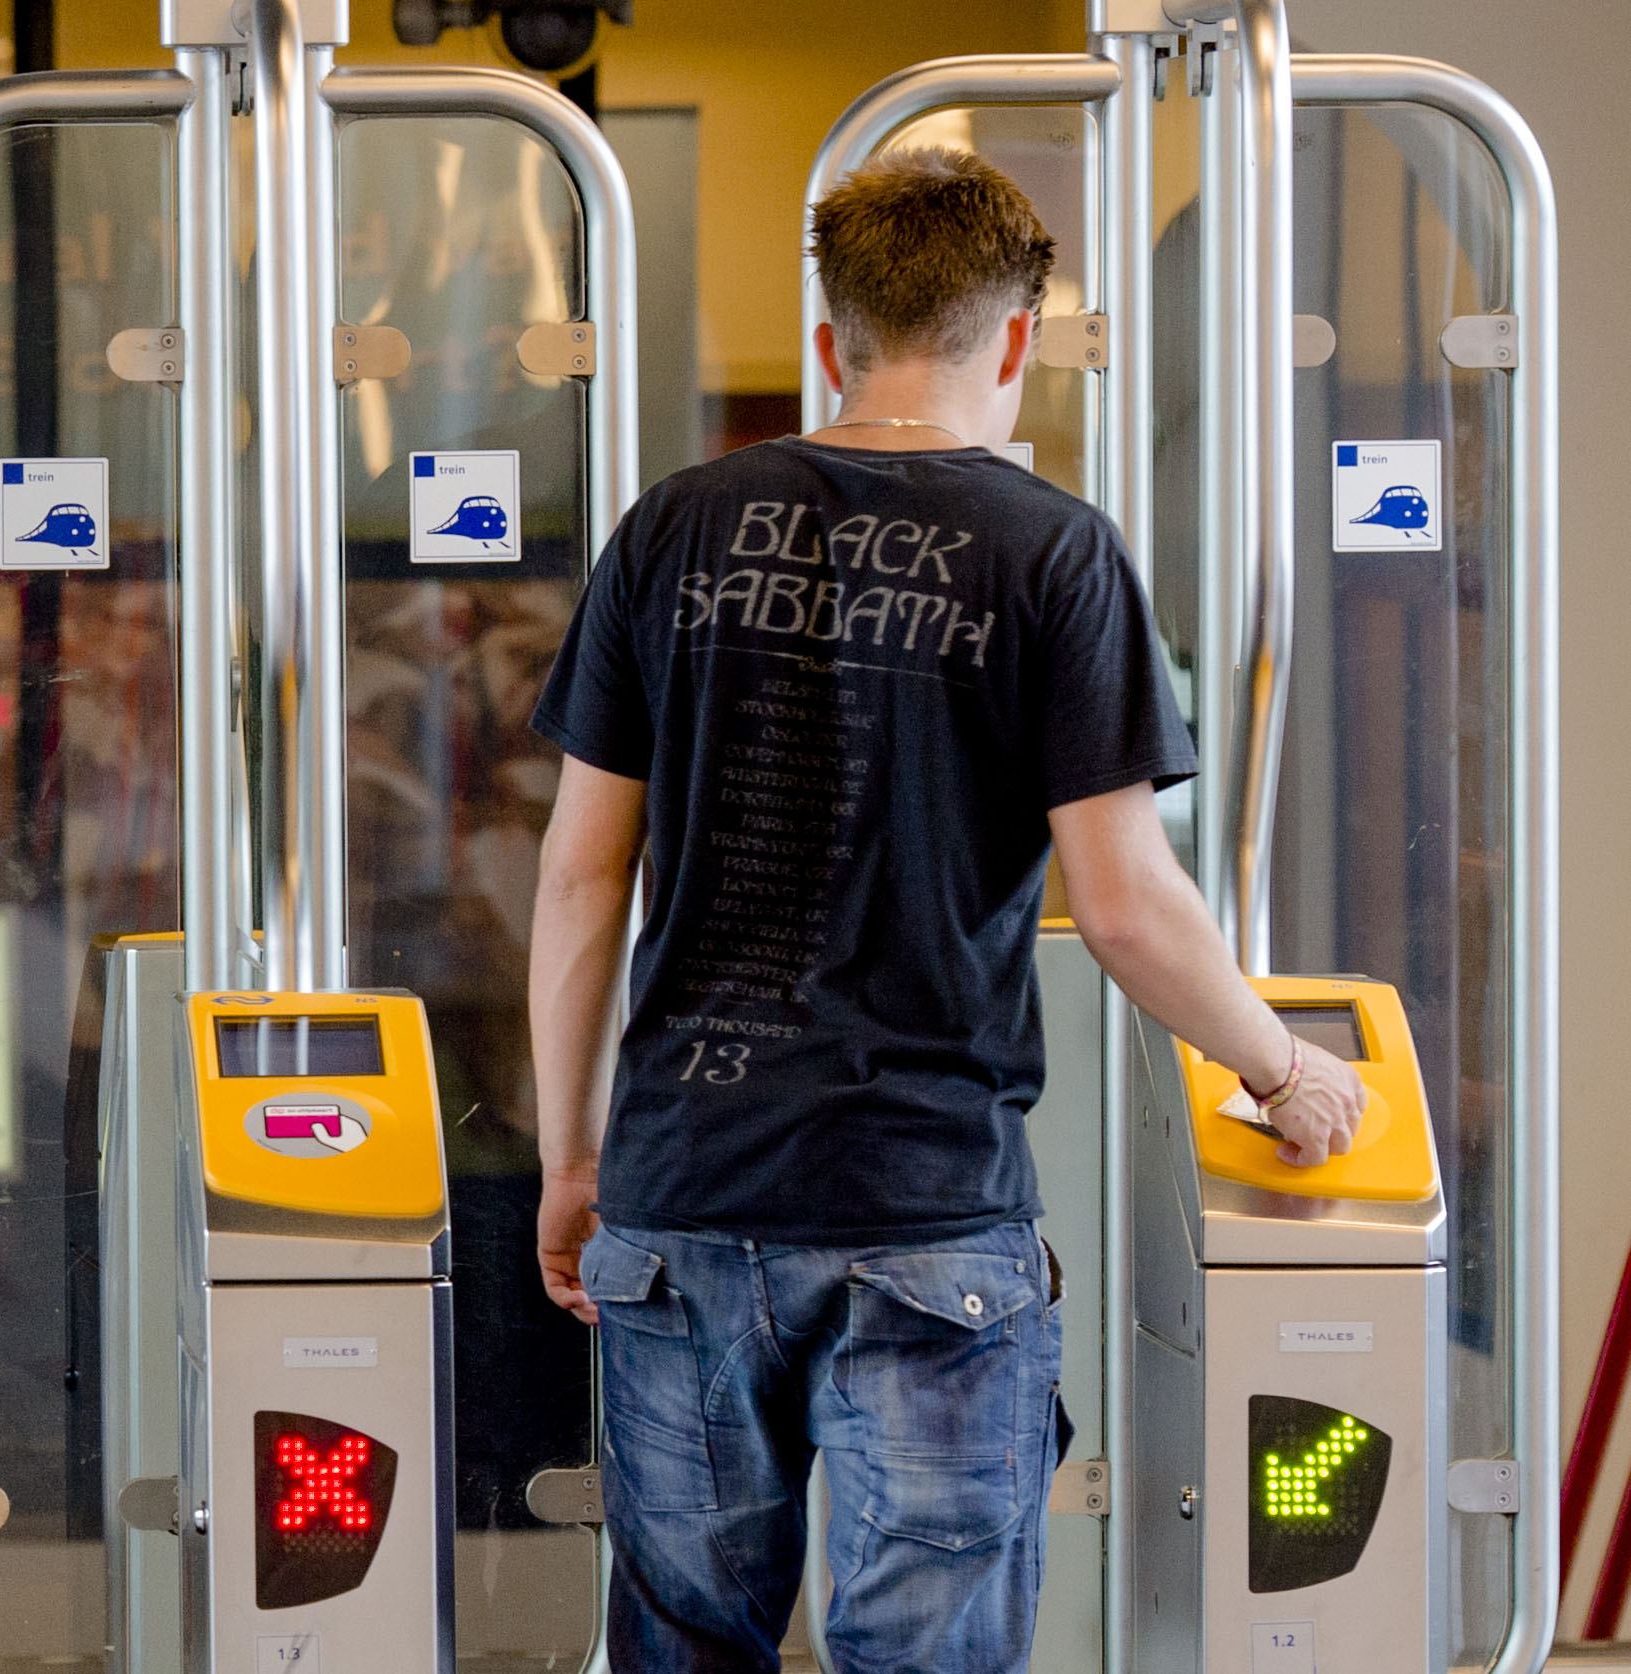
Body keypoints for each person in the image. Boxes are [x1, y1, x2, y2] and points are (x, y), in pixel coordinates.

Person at [525, 149, 1365, 1673]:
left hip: (679, 1191)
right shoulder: (1052, 551)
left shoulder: (670, 527)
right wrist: (1285, 1069)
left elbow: (582, 876)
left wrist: (572, 1154)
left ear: (831, 336)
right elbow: (1122, 904)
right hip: (922, 1207)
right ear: (1020, 339)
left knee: (678, 1645)